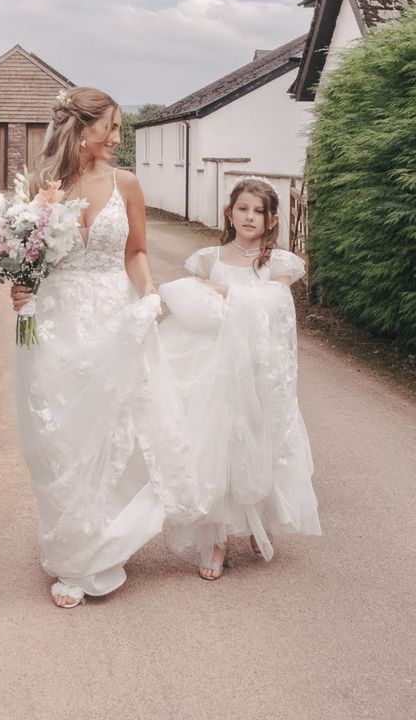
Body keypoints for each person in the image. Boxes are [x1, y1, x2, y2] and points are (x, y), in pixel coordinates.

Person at [9, 87, 198, 608]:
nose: (118, 138)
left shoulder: (127, 184)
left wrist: (152, 295)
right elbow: (29, 259)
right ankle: (71, 544)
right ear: (81, 128)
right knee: (59, 437)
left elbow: (136, 252)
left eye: (119, 129)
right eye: (110, 128)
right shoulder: (42, 186)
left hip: (114, 318)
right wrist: (18, 285)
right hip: (54, 321)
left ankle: (94, 551)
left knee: (113, 434)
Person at [155, 177, 321, 580]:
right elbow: (195, 310)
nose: (249, 217)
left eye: (258, 211)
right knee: (218, 447)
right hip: (217, 368)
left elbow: (278, 305)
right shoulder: (208, 259)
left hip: (260, 368)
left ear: (271, 219)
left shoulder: (277, 263)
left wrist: (230, 295)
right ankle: (216, 539)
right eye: (242, 209)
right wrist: (202, 290)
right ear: (229, 213)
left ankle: (256, 522)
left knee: (259, 441)